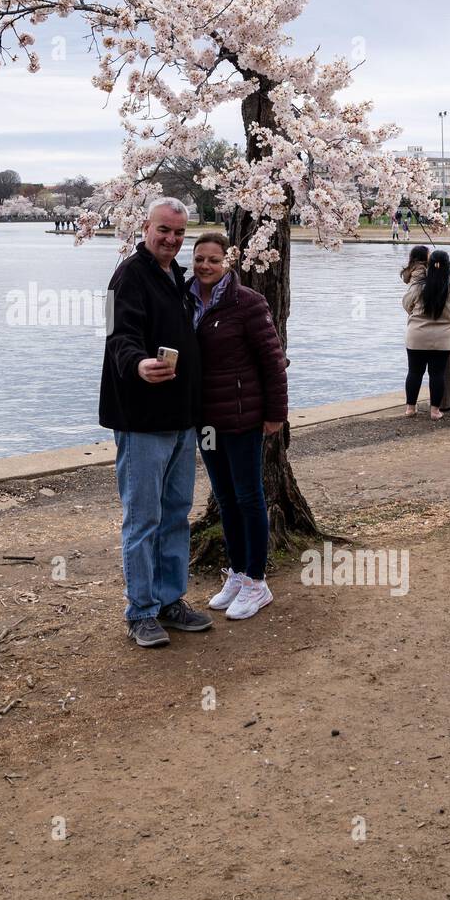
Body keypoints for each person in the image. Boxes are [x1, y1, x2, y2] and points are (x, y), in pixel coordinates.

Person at [99, 198, 211, 647]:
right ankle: (140, 611)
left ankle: (170, 600)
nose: (171, 239)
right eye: (164, 230)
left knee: (177, 515)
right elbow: (115, 334)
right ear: (146, 227)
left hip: (182, 419)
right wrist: (138, 364)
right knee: (143, 517)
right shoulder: (126, 275)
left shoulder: (178, 278)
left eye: (179, 233)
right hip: (141, 419)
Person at [187, 232, 288, 621]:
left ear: (228, 262)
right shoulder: (188, 299)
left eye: (213, 260)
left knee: (249, 497)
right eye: (200, 259)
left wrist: (275, 413)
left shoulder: (248, 303)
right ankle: (238, 571)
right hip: (207, 420)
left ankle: (257, 581)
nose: (205, 266)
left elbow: (272, 361)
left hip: (243, 417)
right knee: (224, 498)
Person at [403, 249, 450, 421]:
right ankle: (435, 411)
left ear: (429, 266)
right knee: (437, 375)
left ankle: (410, 408)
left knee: (414, 372)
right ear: (448, 266)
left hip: (417, 336)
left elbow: (407, 304)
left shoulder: (419, 286)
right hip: (443, 339)